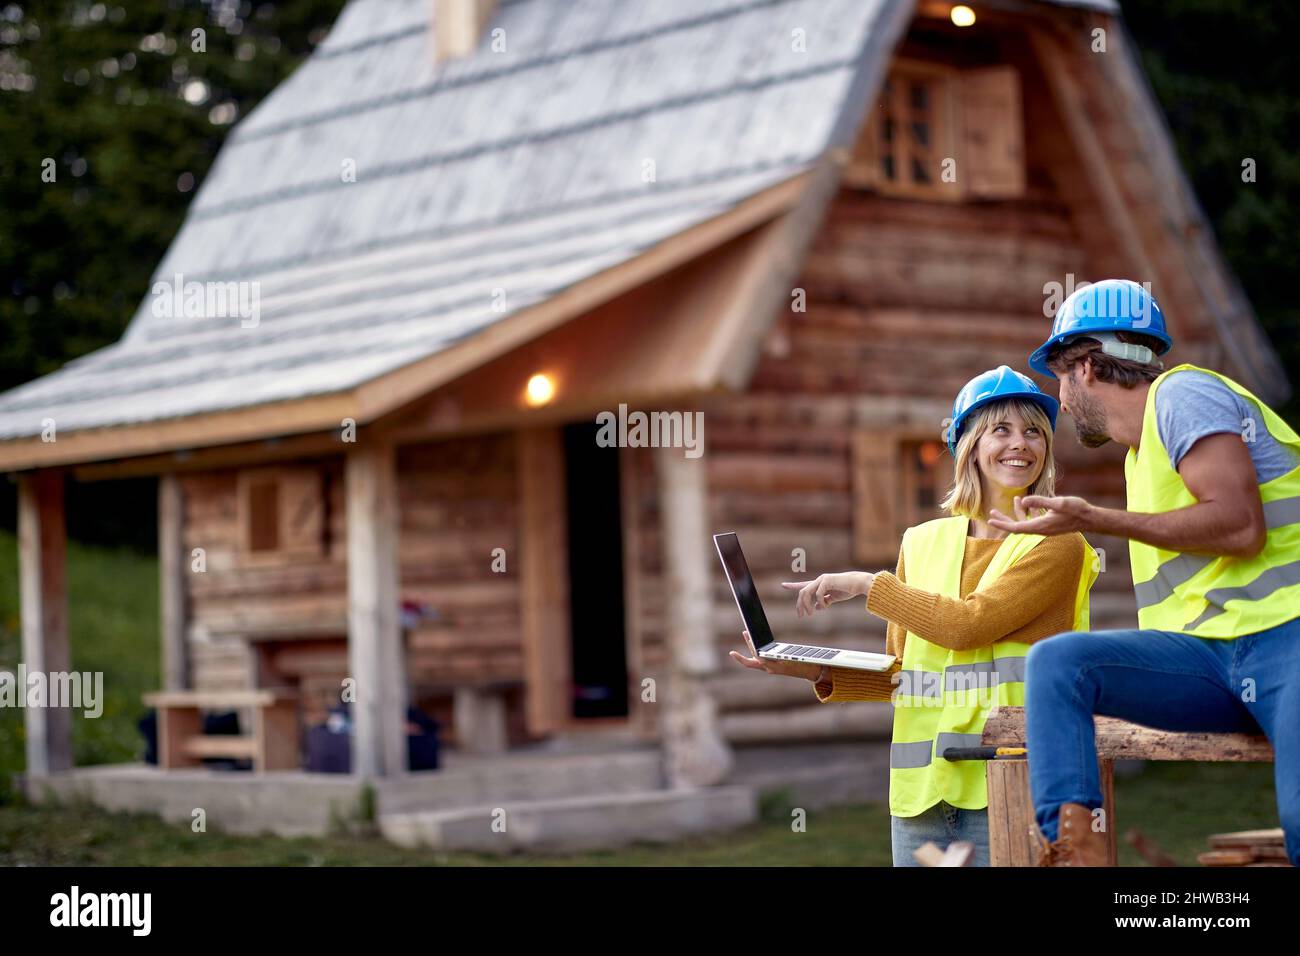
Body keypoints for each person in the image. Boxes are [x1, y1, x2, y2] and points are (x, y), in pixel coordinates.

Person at [987, 278, 1300, 866]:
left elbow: (1239, 527)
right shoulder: (1140, 455)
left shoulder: (1184, 395)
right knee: (1058, 664)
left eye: (1059, 376)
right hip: (1211, 661)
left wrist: (1096, 518)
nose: (1061, 397)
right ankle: (1074, 854)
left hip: (1290, 636)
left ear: (1084, 367)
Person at [730, 366, 1097, 866]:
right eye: (1002, 430)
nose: (1021, 444)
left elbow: (968, 626)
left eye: (1034, 430)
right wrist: (808, 669)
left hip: (1013, 782)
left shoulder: (1057, 542)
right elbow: (904, 678)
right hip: (924, 795)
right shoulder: (921, 542)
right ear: (968, 444)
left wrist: (866, 585)